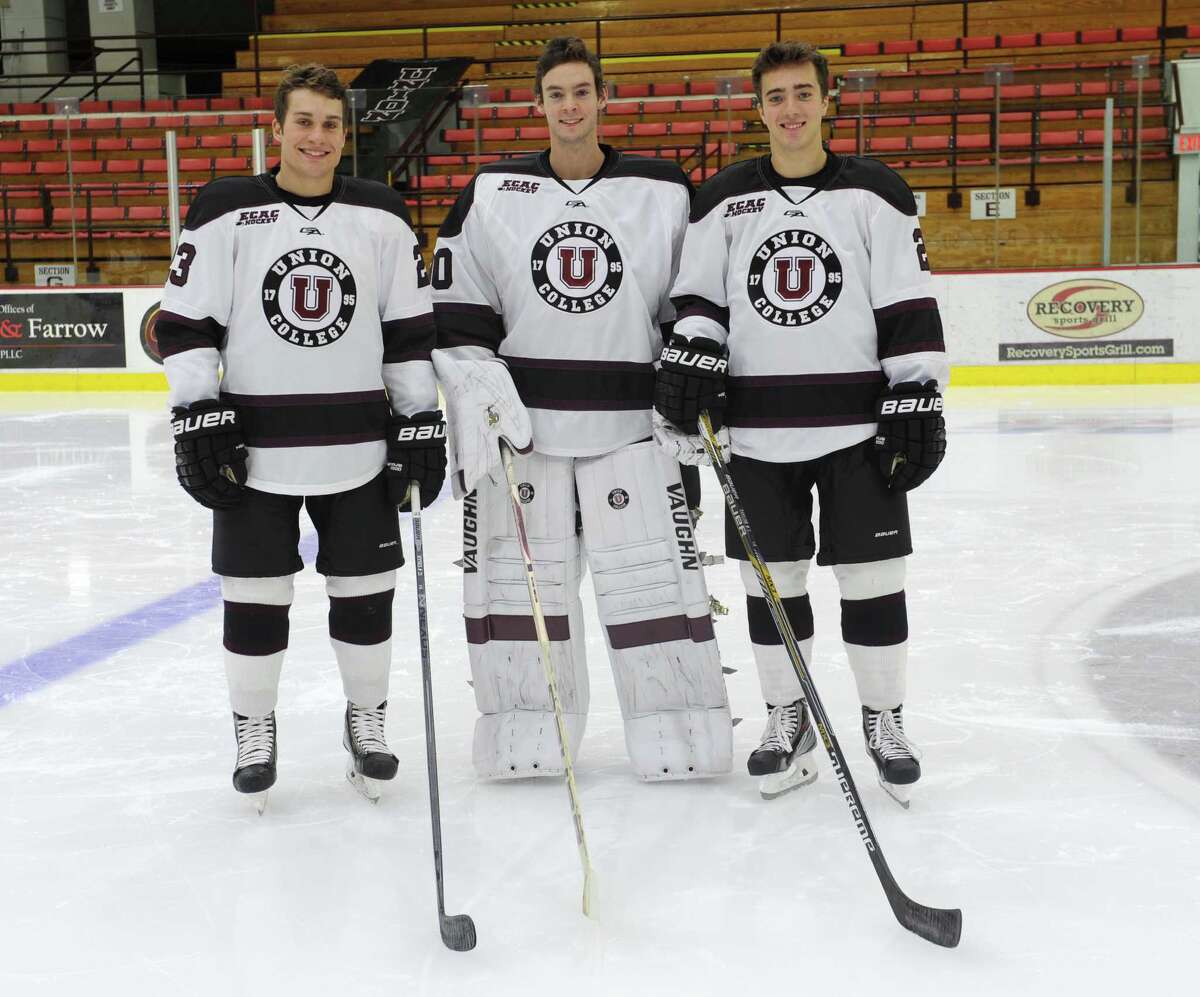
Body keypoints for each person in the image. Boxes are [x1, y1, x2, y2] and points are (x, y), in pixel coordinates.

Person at [430, 37, 732, 782]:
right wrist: (473, 380)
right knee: (520, 593)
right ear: (541, 106)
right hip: (527, 438)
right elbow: (454, 307)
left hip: (636, 433)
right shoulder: (492, 191)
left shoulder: (664, 189)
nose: (569, 105)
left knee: (653, 587)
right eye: (556, 94)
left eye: (581, 91)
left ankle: (678, 727)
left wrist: (695, 356)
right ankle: (528, 726)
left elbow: (698, 293)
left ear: (603, 99)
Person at [656, 41, 947, 805]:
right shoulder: (722, 199)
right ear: (759, 108)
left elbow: (908, 304)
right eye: (776, 97)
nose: (790, 109)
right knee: (772, 583)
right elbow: (700, 302)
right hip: (756, 433)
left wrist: (918, 392)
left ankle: (884, 719)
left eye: (802, 94)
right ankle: (788, 714)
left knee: (874, 580)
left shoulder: (876, 193)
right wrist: (694, 356)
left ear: (828, 100)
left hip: (858, 429)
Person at [157, 63, 446, 807]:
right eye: (304, 121)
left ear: (344, 134)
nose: (316, 137)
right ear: (276, 127)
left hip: (358, 445)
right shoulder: (225, 208)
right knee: (254, 595)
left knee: (365, 592)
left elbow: (408, 330)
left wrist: (417, 417)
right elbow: (186, 324)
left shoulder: (380, 213)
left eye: (330, 124)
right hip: (254, 451)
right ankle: (254, 727)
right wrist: (195, 409)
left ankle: (367, 720)